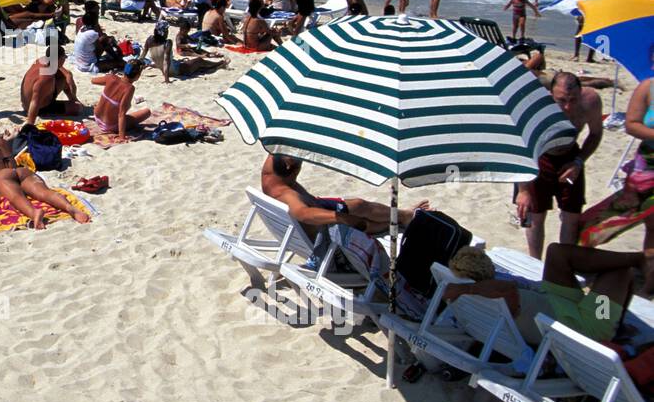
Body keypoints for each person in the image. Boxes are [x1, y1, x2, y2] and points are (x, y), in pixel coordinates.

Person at [440, 242, 643, 347]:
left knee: (556, 253)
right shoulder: (497, 296)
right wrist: (466, 289)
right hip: (589, 325)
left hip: (556, 303)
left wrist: (463, 288)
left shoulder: (480, 298)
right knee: (619, 272)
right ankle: (614, 324)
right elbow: (509, 290)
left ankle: (639, 258)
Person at [581, 46, 654, 295]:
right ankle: (582, 251)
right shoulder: (647, 88)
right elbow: (632, 125)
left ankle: (650, 283)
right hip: (647, 170)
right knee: (623, 215)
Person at [517, 72, 605, 260]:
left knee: (571, 216)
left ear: (581, 93)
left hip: (571, 156)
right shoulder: (536, 106)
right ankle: (535, 263)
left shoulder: (590, 102)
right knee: (535, 216)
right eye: (561, 100)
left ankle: (564, 264)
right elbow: (521, 144)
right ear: (550, 95)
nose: (567, 106)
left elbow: (596, 133)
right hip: (539, 156)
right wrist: (522, 190)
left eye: (573, 100)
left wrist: (579, 161)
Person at [262, 154, 428, 242]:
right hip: (319, 224)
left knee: (359, 205)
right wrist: (341, 218)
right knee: (362, 221)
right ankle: (403, 218)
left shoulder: (271, 166)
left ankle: (401, 215)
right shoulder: (286, 194)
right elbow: (303, 213)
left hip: (314, 204)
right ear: (290, 167)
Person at [0, 119, 91, 230]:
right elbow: (11, 162)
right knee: (45, 192)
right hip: (21, 171)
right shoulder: (2, 142)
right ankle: (70, 207)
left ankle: (34, 213)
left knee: (16, 197)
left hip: (2, 176)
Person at [21, 45, 83, 125]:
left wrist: (68, 75)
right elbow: (35, 102)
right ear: (59, 59)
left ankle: (73, 99)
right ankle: (73, 101)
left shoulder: (42, 60)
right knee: (78, 108)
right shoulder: (46, 78)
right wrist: (30, 124)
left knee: (64, 77)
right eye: (64, 57)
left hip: (25, 102)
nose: (65, 59)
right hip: (36, 108)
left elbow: (61, 69)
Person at [91, 61, 151, 141]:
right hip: (110, 125)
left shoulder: (111, 77)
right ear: (137, 76)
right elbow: (121, 114)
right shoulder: (129, 88)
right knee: (146, 112)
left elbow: (93, 81)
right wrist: (121, 136)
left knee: (103, 103)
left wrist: (108, 82)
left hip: (97, 117)